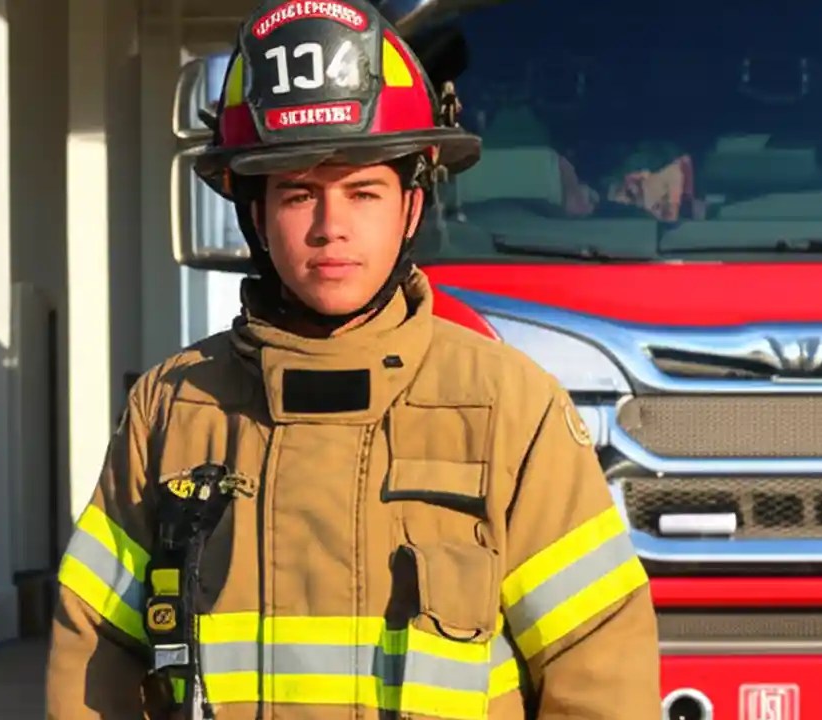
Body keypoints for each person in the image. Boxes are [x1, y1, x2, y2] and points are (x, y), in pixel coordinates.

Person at [45, 0, 662, 717]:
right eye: (298, 193)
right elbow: (96, 654)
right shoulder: (174, 411)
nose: (330, 228)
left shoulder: (509, 408)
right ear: (254, 213)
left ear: (410, 203)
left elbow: (596, 668)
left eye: (363, 191)